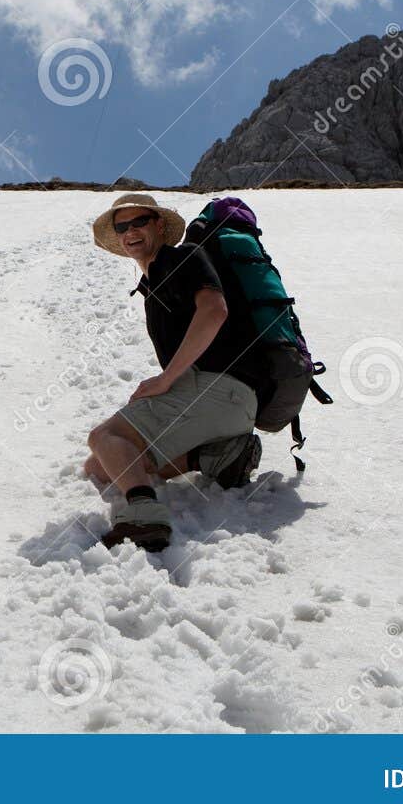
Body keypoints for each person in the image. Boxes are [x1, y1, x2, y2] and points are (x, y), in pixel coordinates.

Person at [82, 193, 265, 551]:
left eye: (140, 222)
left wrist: (167, 380)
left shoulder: (183, 258)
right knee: (102, 465)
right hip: (229, 401)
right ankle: (216, 456)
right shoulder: (155, 283)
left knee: (104, 436)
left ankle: (143, 515)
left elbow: (215, 310)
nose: (130, 231)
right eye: (122, 226)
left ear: (159, 226)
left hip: (221, 385)